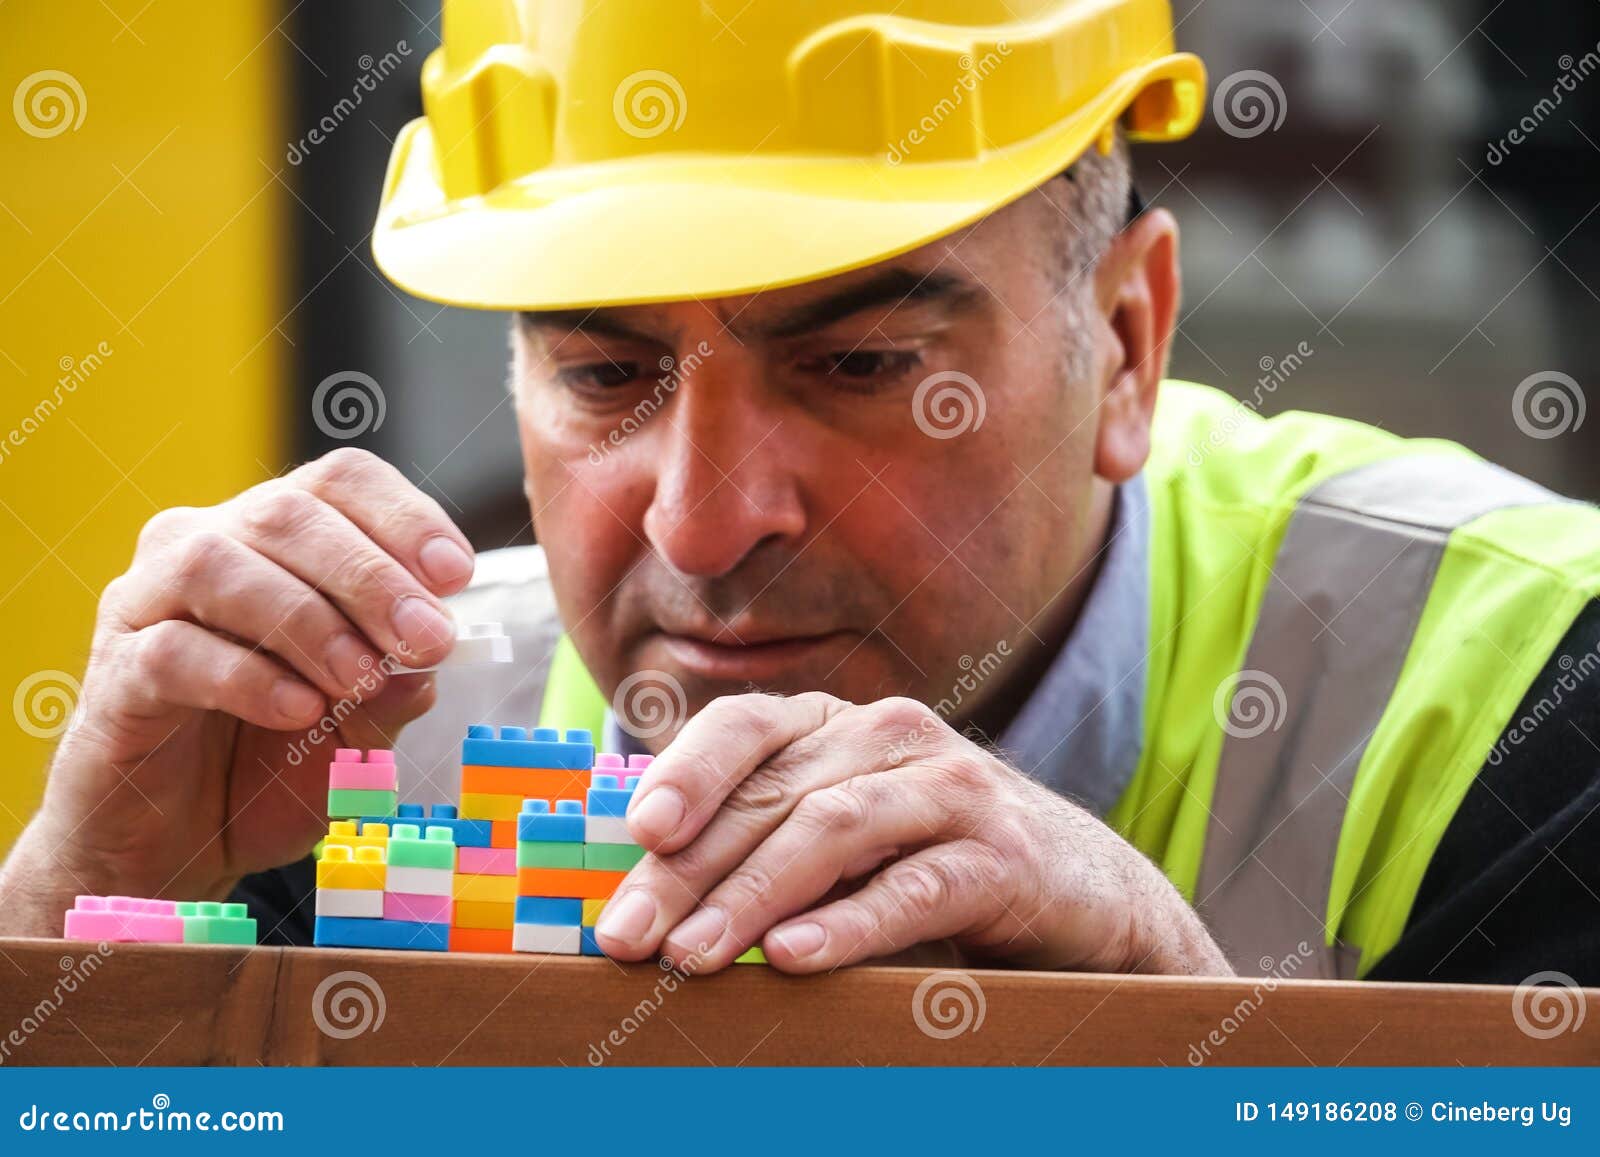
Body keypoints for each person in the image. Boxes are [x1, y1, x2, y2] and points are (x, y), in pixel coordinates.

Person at [5, 0, 1599, 985]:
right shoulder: (348, 739)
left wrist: (1186, 1048)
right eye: (607, 374)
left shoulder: (1520, 686)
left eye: (857, 365)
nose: (700, 524)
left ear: (1124, 346)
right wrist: (67, 936)